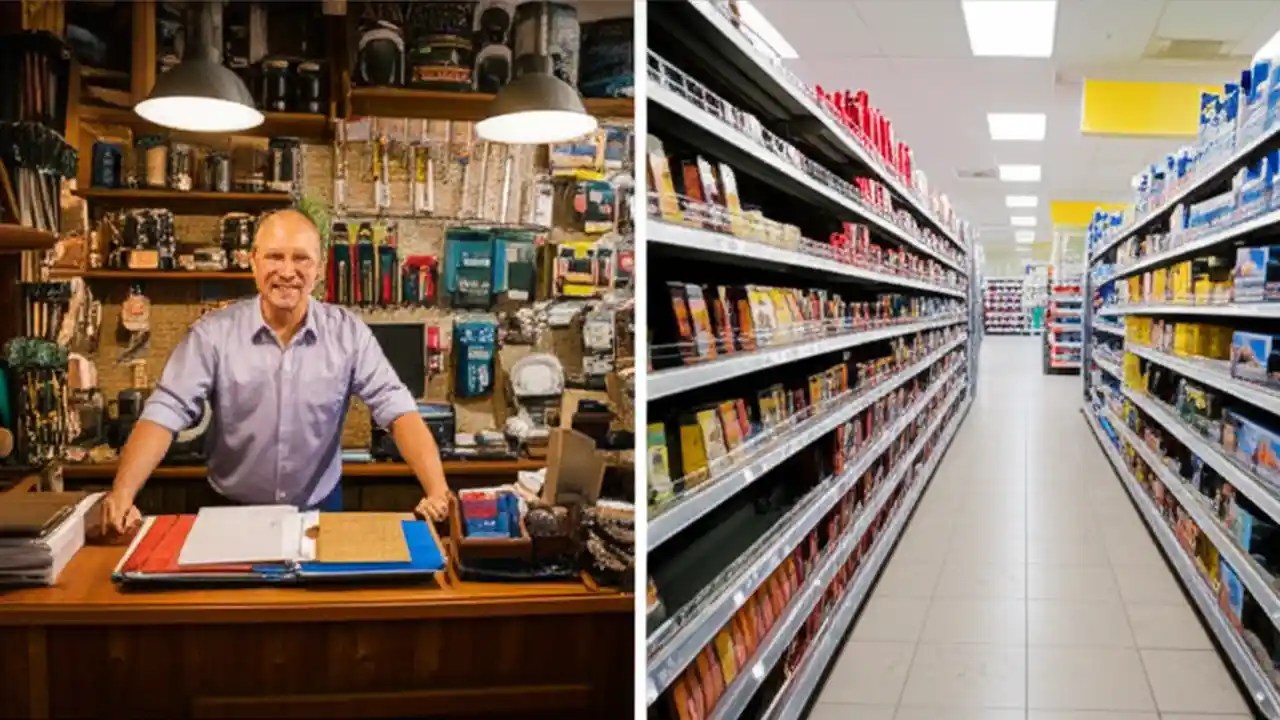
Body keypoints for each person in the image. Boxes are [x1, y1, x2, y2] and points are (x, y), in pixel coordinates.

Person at [102, 209, 451, 533]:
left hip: (319, 513)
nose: (287, 271)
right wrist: (122, 494)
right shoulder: (213, 334)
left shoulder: (349, 334)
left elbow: (397, 409)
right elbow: (165, 411)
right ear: (253, 261)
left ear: (318, 267)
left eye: (301, 258)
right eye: (274, 256)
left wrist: (437, 490)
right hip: (229, 513)